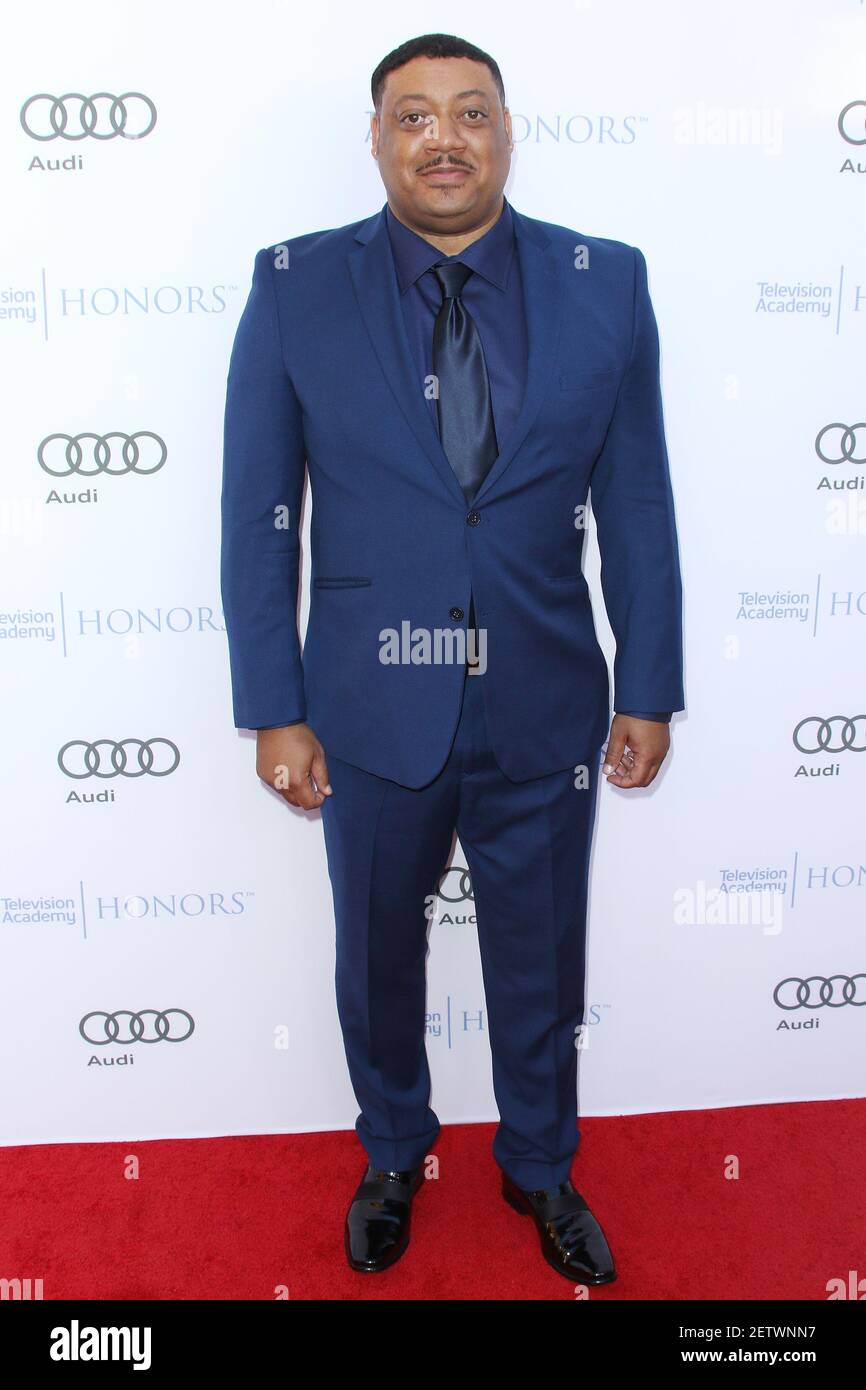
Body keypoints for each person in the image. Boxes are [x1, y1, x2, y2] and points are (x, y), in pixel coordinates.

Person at [221, 32, 684, 1284]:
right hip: (366, 704)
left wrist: (646, 682)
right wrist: (273, 705)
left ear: (505, 130)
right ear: (375, 139)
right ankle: (390, 1153)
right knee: (375, 956)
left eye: (469, 112)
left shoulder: (605, 282)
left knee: (540, 956)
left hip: (544, 697)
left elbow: (635, 502)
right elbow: (258, 511)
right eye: (413, 115)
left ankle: (539, 1164)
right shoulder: (293, 287)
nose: (443, 137)